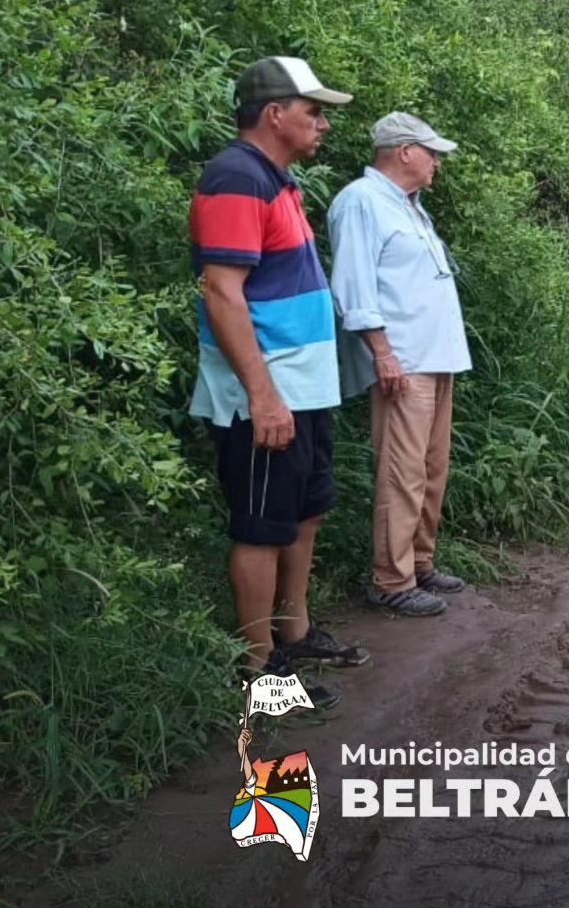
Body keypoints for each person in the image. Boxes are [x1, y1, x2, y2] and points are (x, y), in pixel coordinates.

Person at [189, 56, 368, 708]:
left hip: (302, 388)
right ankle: (260, 671)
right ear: (275, 114)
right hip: (267, 393)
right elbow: (222, 292)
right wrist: (263, 394)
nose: (322, 123)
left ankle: (292, 631)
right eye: (313, 111)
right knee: (262, 524)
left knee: (305, 507)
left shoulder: (277, 180)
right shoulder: (237, 177)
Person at [327, 112, 472, 618]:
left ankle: (421, 563)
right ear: (404, 151)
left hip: (436, 358)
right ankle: (391, 580)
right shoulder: (361, 202)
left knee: (432, 468)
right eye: (431, 152)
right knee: (402, 471)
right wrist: (382, 353)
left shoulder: (411, 207)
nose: (436, 162)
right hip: (403, 360)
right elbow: (354, 285)